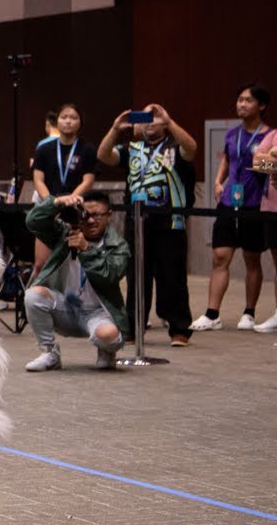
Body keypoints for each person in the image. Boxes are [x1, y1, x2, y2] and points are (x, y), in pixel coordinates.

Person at [97, 103, 196, 346]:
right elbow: (104, 156)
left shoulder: (174, 146)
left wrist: (170, 122)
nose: (150, 123)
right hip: (137, 223)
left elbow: (192, 149)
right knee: (136, 278)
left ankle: (179, 328)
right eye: (145, 118)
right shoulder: (132, 148)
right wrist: (114, 129)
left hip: (170, 223)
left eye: (156, 118)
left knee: (172, 277)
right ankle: (132, 326)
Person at [191, 84, 270, 331]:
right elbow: (227, 158)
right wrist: (217, 181)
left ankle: (249, 312)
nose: (241, 105)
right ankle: (212, 314)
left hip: (255, 204)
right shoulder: (232, 135)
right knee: (219, 257)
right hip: (228, 202)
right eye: (239, 100)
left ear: (261, 106)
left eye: (247, 101)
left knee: (252, 258)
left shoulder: (268, 136)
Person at [23, 191, 129, 371]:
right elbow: (33, 222)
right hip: (67, 308)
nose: (90, 221)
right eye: (86, 214)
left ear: (109, 216)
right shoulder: (64, 233)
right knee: (33, 296)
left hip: (98, 313)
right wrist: (57, 202)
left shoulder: (118, 246)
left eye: (97, 215)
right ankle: (50, 353)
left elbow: (109, 276)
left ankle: (106, 351)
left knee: (108, 335)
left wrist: (85, 249)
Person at [30, 104, 99, 273]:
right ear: (57, 121)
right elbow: (38, 179)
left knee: (74, 264)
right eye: (64, 117)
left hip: (76, 208)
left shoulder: (87, 149)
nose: (68, 121)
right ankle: (42, 297)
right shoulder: (44, 149)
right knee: (41, 264)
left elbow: (88, 180)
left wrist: (71, 200)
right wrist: (51, 202)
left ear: (80, 122)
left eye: (73, 118)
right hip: (50, 208)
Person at [249, 131, 277, 332]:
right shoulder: (274, 134)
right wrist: (275, 163)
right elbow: (258, 163)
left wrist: (274, 158)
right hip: (272, 209)